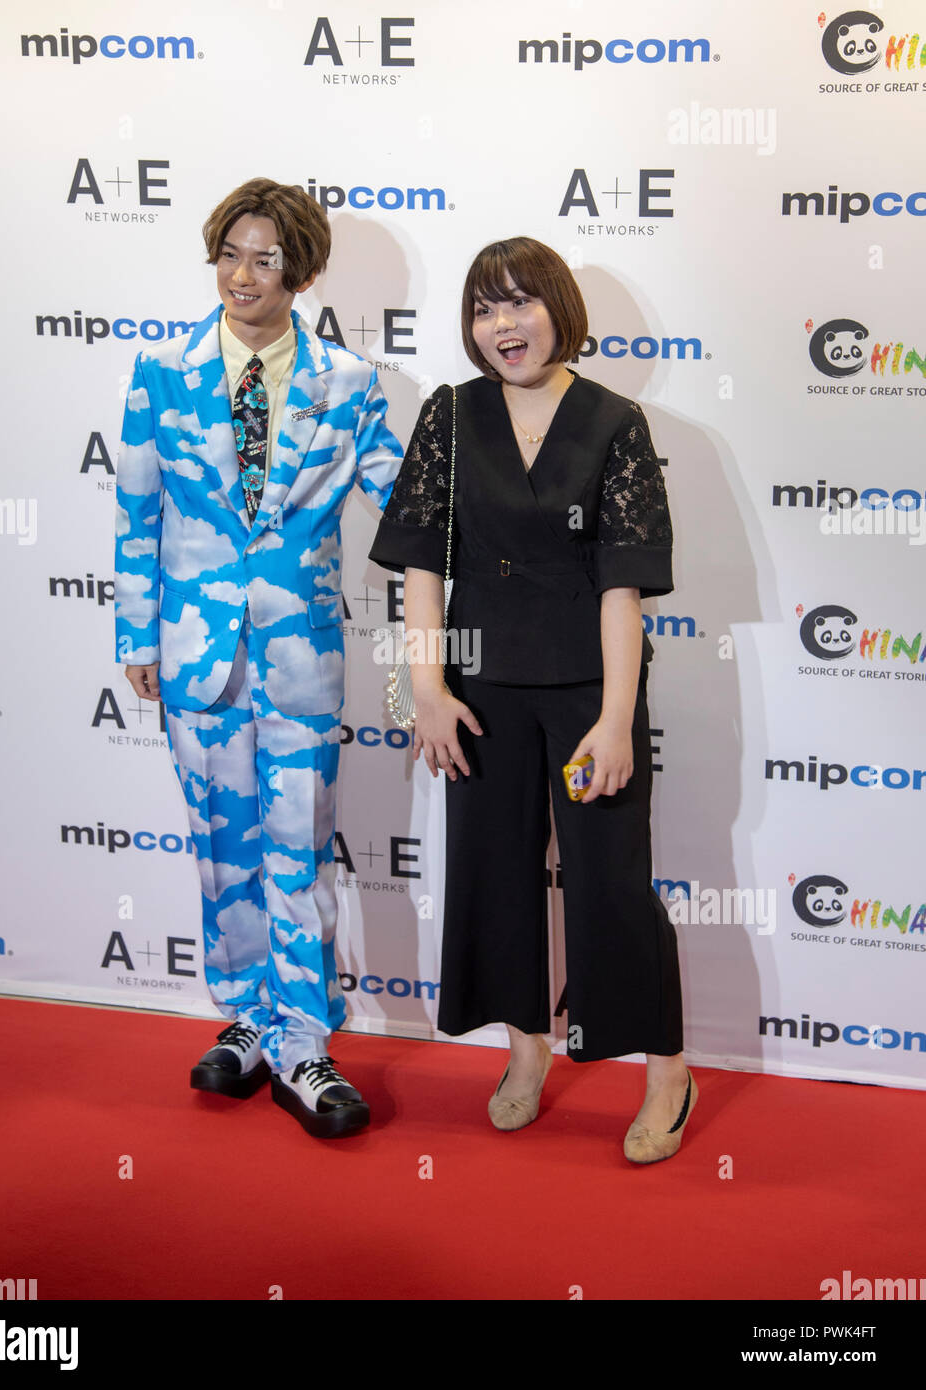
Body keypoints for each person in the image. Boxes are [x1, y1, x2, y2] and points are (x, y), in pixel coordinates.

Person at [369, 237, 694, 1163]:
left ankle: (665, 1069)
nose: (501, 324)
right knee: (494, 877)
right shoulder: (450, 414)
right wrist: (426, 688)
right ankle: (524, 1048)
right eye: (483, 308)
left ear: (557, 309)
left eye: (519, 302)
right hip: (478, 691)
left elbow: (621, 588)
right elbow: (421, 563)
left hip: (591, 691)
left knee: (610, 887)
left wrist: (614, 717)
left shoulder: (612, 421)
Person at [114, 178, 403, 1138]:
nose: (240, 275)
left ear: (302, 271)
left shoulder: (351, 383)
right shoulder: (162, 372)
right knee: (219, 853)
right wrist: (137, 632)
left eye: (264, 259)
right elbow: (138, 512)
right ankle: (244, 1021)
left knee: (298, 849)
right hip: (195, 655)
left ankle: (305, 1048)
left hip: (301, 659)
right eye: (228, 254)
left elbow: (401, 505)